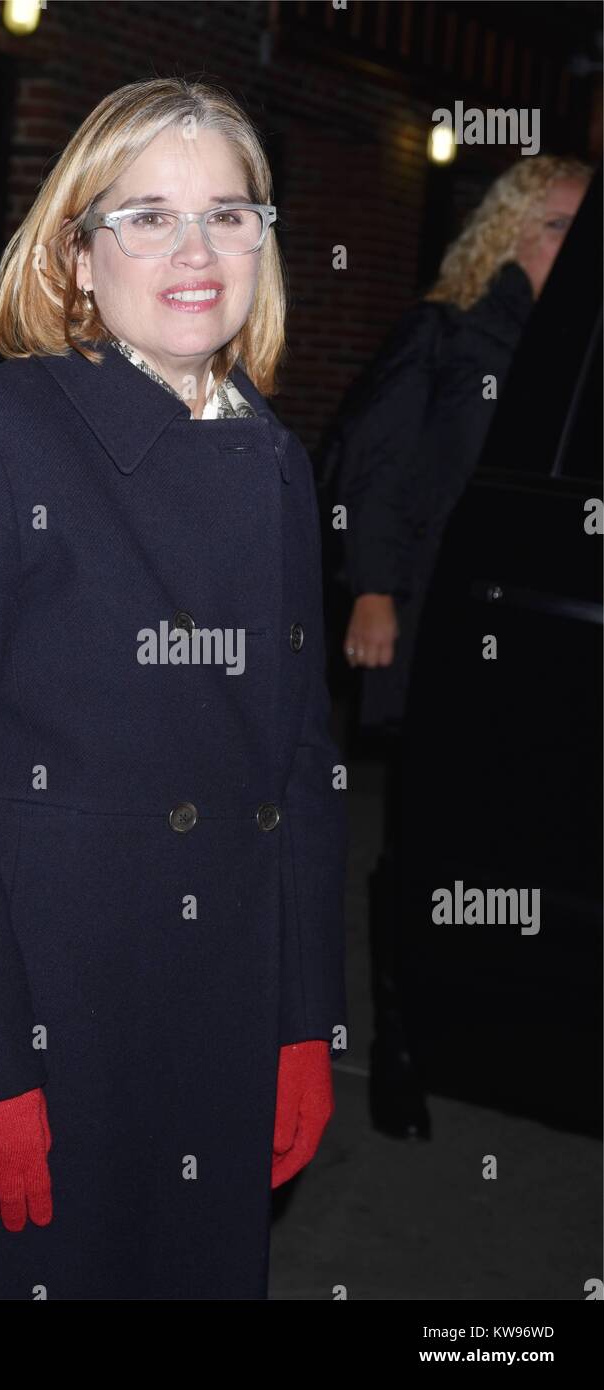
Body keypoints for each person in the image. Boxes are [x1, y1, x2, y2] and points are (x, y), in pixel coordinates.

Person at [0, 77, 348, 1301]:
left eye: (231, 214)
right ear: (76, 255)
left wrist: (301, 1015)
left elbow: (302, 766)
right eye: (148, 216)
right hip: (35, 1021)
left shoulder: (274, 461)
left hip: (211, 1025)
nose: (198, 251)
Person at [319, 154, 592, 1138]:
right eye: (557, 225)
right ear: (508, 231)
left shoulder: (566, 354)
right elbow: (369, 468)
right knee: (424, 833)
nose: (572, 245)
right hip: (436, 622)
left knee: (506, 834)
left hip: (528, 629)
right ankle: (399, 1042)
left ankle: (502, 1025)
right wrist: (374, 593)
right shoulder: (443, 332)